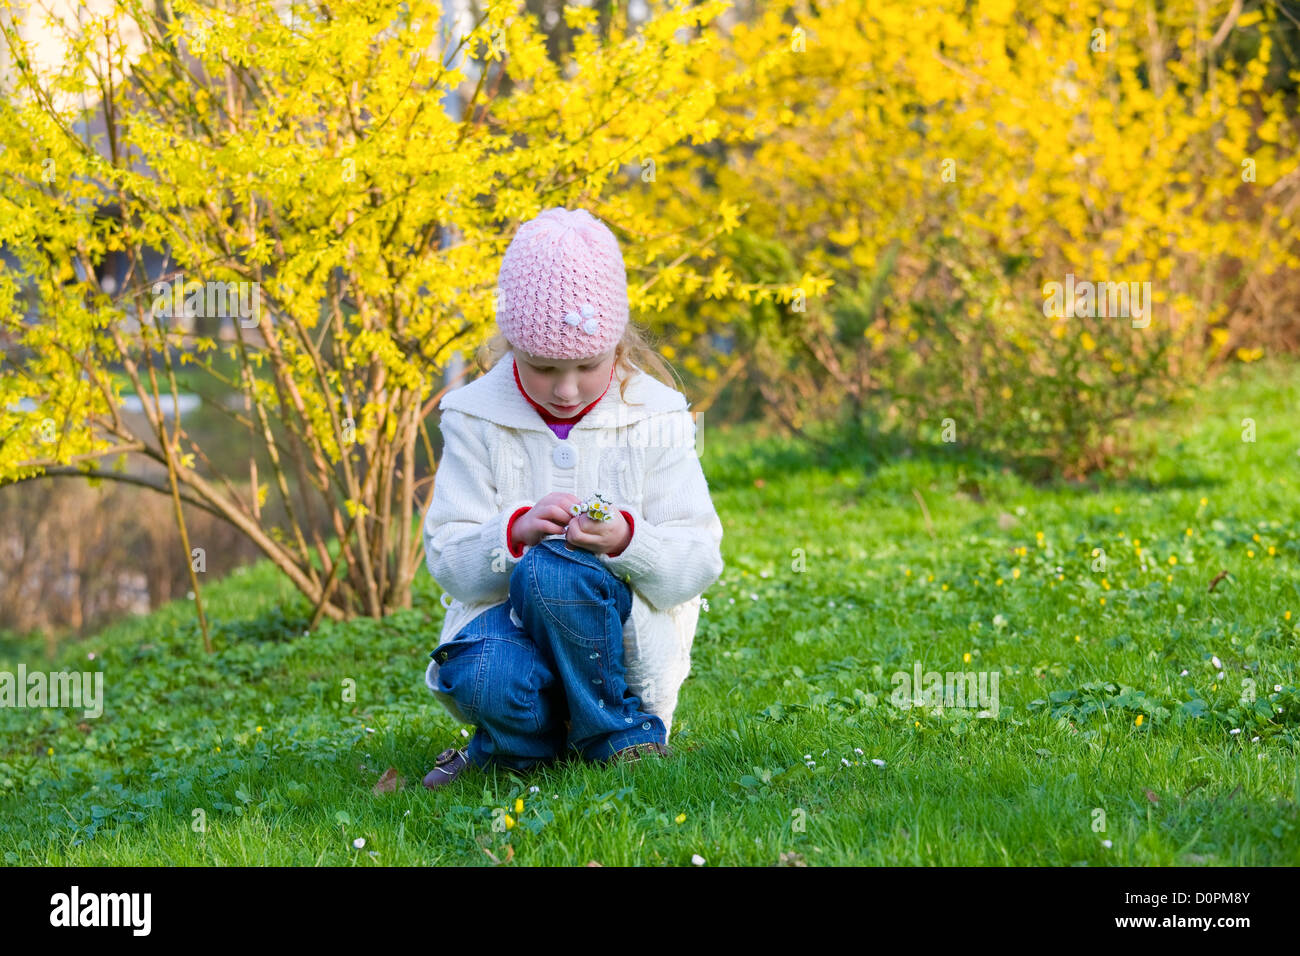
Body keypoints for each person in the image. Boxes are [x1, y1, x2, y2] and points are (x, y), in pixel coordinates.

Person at [421, 207, 725, 788]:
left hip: (615, 642)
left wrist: (628, 541)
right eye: (542, 368)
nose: (566, 389)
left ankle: (617, 735)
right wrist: (512, 531)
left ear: (616, 346)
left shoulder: (654, 416)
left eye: (587, 367)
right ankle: (521, 746)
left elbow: (698, 560)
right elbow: (449, 559)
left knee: (555, 570)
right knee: (482, 673)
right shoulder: (473, 418)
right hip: (505, 627)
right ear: (511, 346)